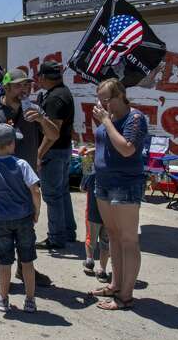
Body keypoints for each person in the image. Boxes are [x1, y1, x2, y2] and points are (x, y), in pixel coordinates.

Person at [0, 69, 57, 290]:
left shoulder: (33, 109)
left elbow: (54, 135)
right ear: (7, 87)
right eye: (20, 85)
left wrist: (40, 119)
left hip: (25, 183)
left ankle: (24, 267)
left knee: (26, 228)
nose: (25, 89)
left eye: (27, 85)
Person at [89, 78, 148, 311]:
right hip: (103, 181)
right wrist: (93, 149)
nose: (103, 104)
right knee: (112, 235)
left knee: (128, 239)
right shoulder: (109, 118)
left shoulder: (135, 118)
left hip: (125, 184)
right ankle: (115, 285)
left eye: (107, 99)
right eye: (100, 99)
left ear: (120, 96)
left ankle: (126, 295)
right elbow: (110, 143)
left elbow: (126, 148)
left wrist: (105, 121)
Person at [0, 124, 42, 314]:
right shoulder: (22, 165)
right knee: (27, 262)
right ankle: (30, 301)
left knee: (5, 262)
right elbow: (35, 190)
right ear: (11, 144)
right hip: (23, 218)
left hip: (0, 221)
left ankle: (4, 300)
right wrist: (36, 211)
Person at [34, 61, 77, 249]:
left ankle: (57, 237)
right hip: (63, 150)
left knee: (52, 196)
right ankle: (67, 231)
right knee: (61, 193)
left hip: (54, 151)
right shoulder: (62, 93)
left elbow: (52, 133)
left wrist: (39, 154)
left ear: (43, 77)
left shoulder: (55, 98)